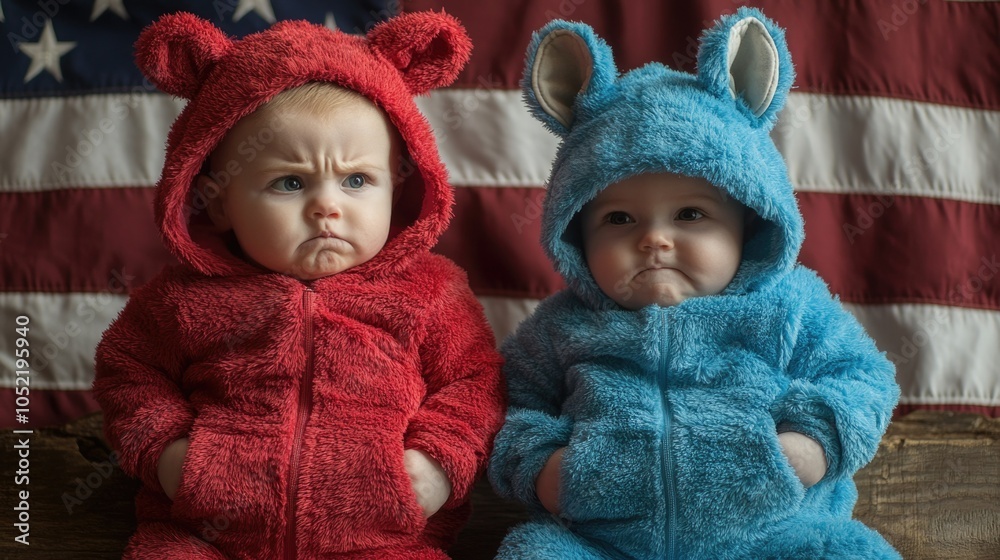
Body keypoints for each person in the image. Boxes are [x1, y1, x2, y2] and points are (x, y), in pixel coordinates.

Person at [488, 8, 901, 560]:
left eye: (689, 215)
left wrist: (810, 443)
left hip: (771, 538)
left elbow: (864, 377)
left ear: (747, 223)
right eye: (618, 219)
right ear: (574, 234)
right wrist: (545, 468)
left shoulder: (790, 307)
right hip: (605, 544)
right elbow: (508, 408)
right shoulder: (561, 328)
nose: (654, 240)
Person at [93, 11, 505, 560]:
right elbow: (128, 372)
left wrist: (435, 464)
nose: (327, 207)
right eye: (290, 182)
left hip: (379, 536)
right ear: (218, 204)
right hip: (206, 534)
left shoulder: (432, 293)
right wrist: (170, 454)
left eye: (357, 180)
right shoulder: (181, 301)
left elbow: (475, 383)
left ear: (400, 186)